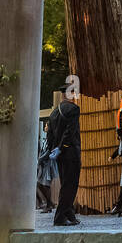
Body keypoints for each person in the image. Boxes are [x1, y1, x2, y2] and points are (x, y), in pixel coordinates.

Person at [48, 91, 82, 226]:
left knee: (65, 184)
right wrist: (63, 146)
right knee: (70, 186)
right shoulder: (73, 109)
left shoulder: (54, 112)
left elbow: (50, 135)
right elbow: (71, 130)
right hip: (70, 152)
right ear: (71, 95)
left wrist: (55, 149)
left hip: (59, 154)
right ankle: (60, 217)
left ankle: (70, 214)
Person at [37, 113, 56, 213]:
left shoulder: (51, 138)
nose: (45, 127)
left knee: (45, 184)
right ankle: (50, 203)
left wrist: (40, 159)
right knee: (40, 184)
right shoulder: (46, 138)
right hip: (44, 163)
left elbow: (49, 151)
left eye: (46, 125)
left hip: (48, 163)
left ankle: (49, 205)